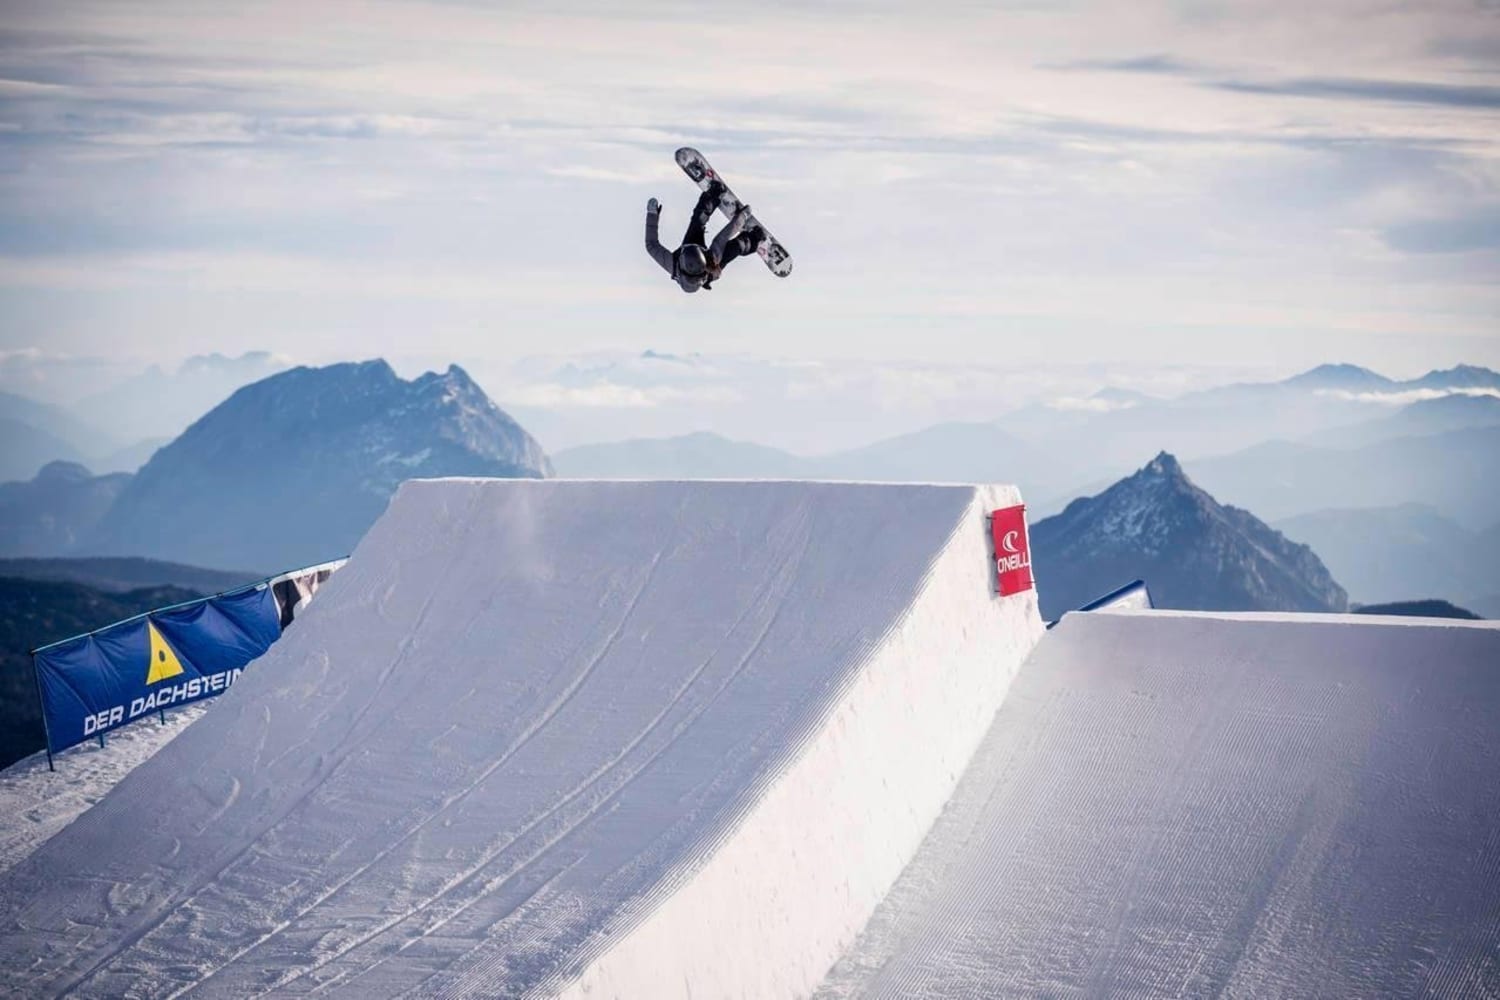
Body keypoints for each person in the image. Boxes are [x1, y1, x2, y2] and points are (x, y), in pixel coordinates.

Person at [645, 181, 764, 292]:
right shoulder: (711, 262)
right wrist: (743, 216)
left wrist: (652, 214)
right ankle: (754, 239)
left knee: (698, 219)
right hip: (712, 269)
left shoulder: (671, 262)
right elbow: (723, 237)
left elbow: (651, 245)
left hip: (695, 252)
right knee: (734, 247)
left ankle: (714, 193)